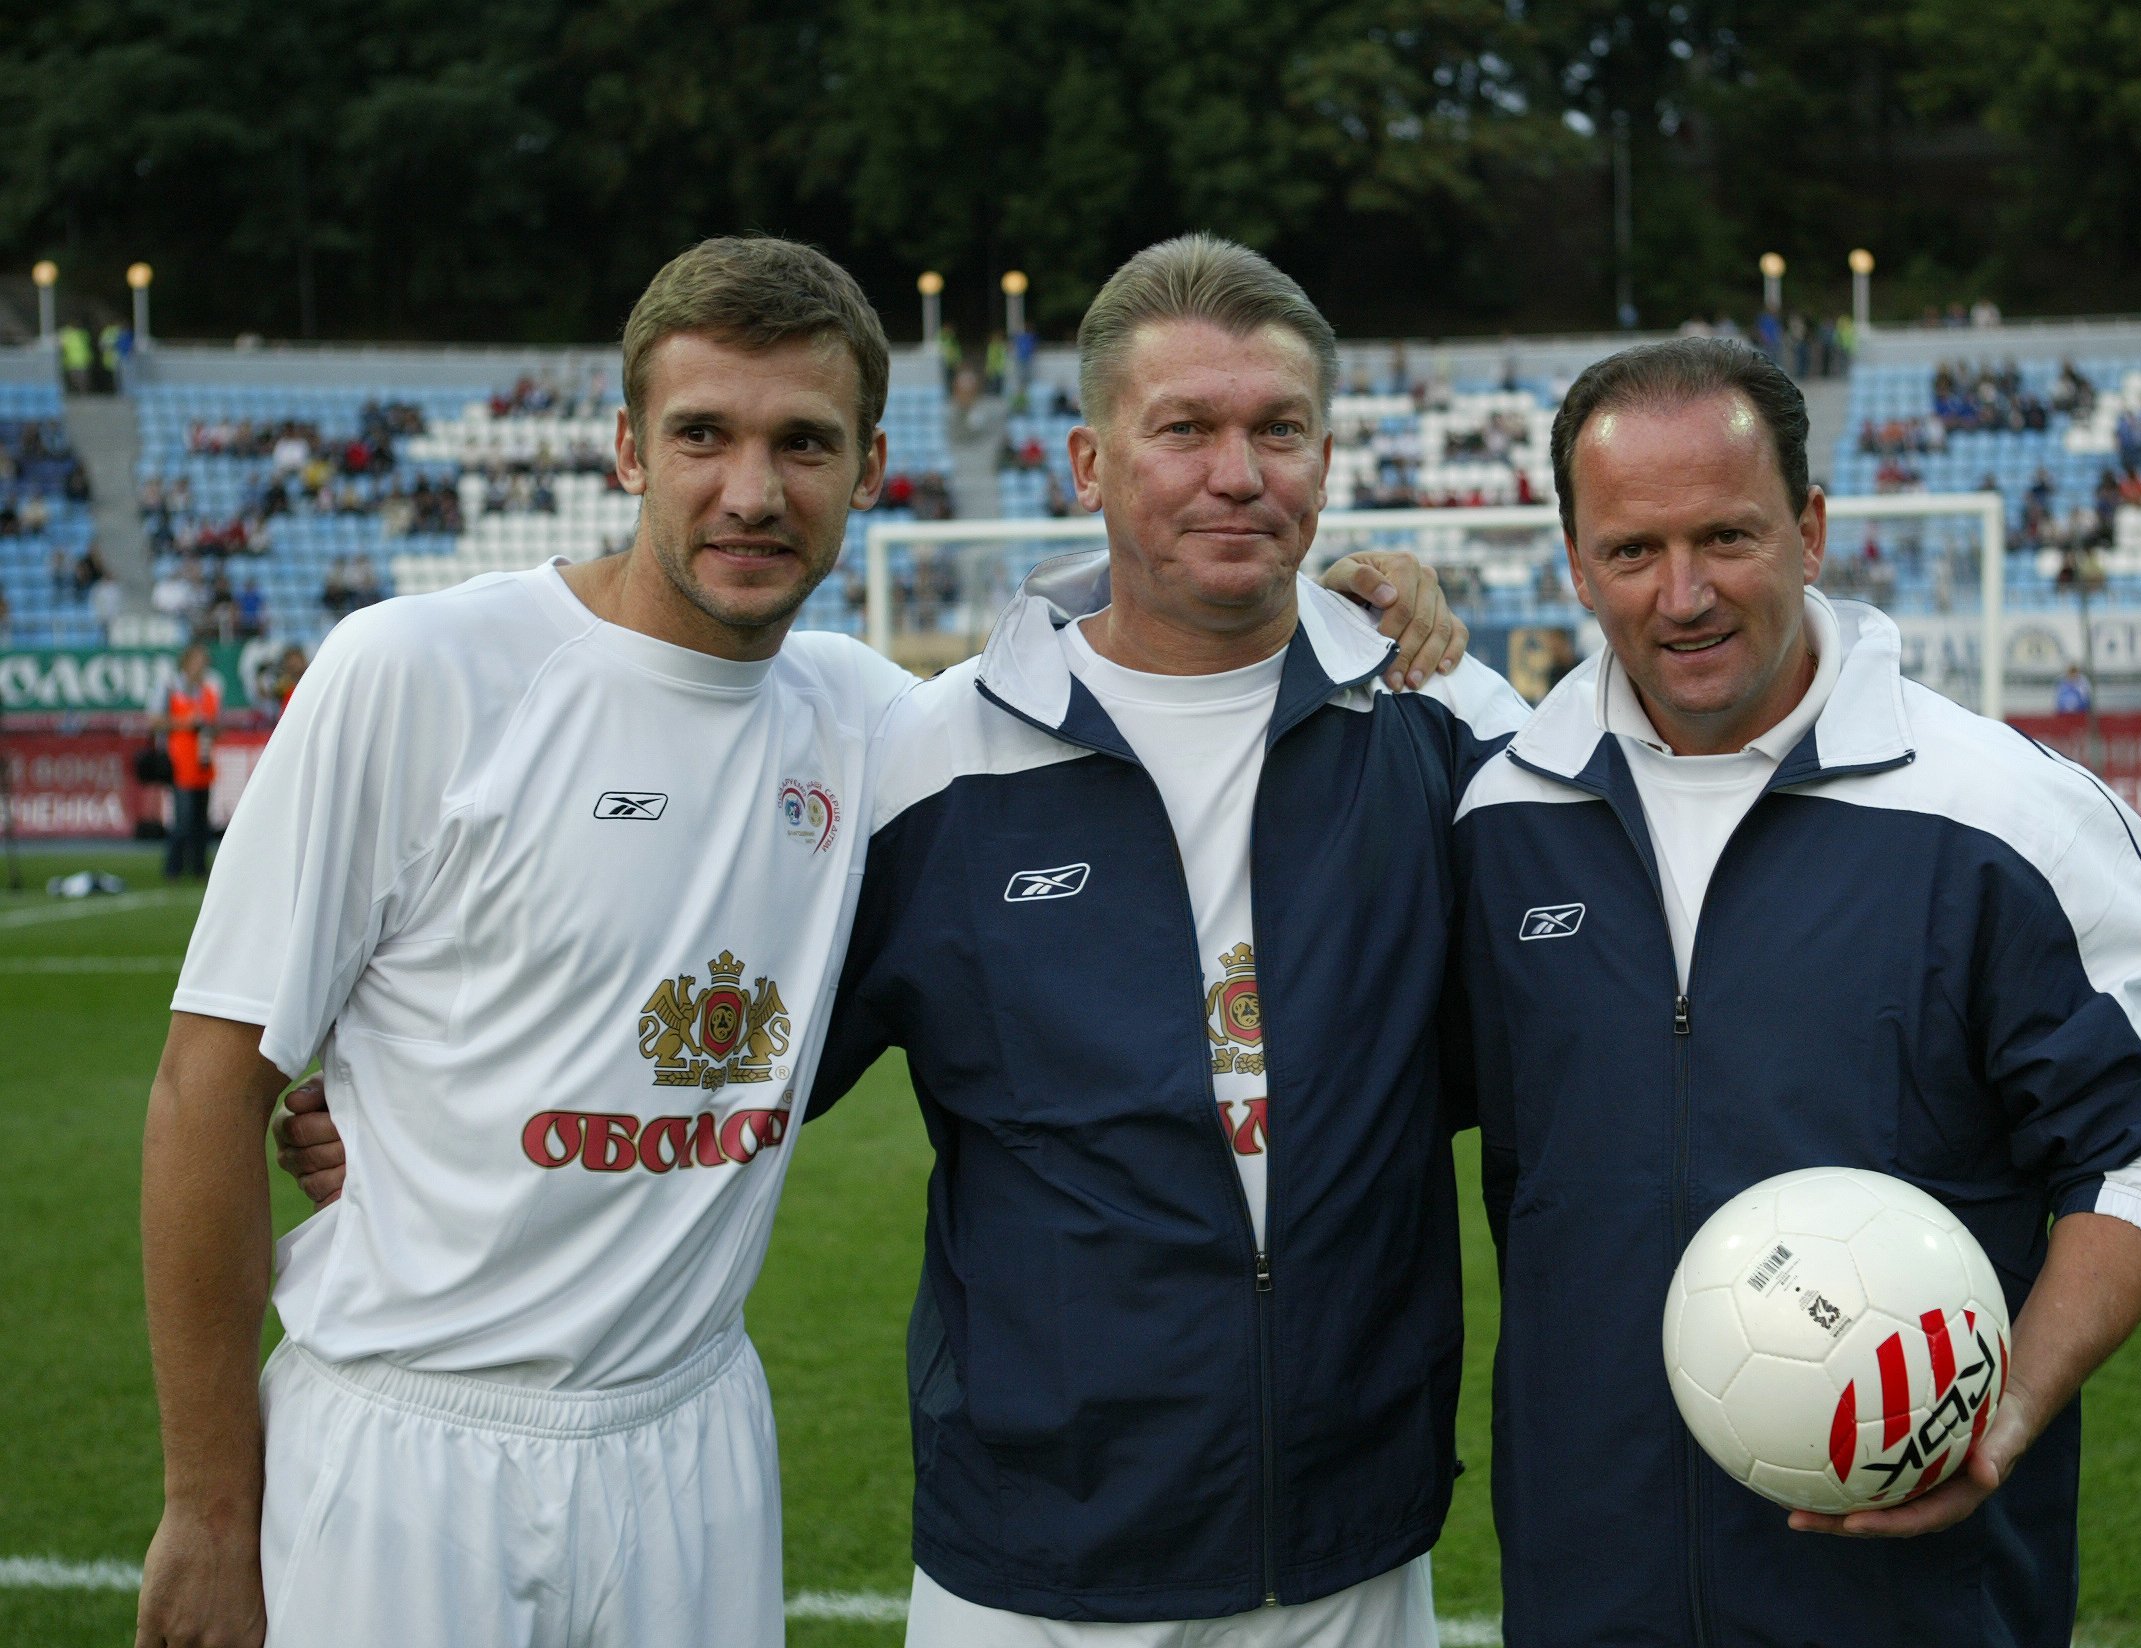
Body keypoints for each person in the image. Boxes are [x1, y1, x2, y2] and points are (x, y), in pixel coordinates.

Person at [199, 235, 1464, 1648]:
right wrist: (405, 1131)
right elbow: (227, 1081)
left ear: (868, 467)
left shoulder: (885, 726)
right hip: (444, 1437)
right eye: (703, 436)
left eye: (802, 442)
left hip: (721, 1443)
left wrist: (1372, 587)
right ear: (627, 448)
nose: (751, 488)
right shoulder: (894, 744)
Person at [1450, 338, 2141, 1647]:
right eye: (1632, 551)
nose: (1684, 593)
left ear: (1812, 529)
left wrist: (2008, 1410)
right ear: (1574, 559)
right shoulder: (1501, 816)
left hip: (1910, 1597)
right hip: (1586, 1582)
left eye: (1728, 535)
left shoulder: (2002, 815)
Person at [801, 234, 1525, 1644]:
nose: (1236, 473)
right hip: (1039, 1553)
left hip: (1350, 1547)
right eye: (1183, 428)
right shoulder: (936, 760)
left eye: (1278, 429)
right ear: (1088, 465)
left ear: (1326, 455)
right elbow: (745, 1070)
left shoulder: (1444, 724)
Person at [148, 641, 223, 881]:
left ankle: (200, 867)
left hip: (202, 762)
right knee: (183, 820)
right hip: (180, 762)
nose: (202, 666)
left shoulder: (210, 691)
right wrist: (185, 723)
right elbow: (154, 721)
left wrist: (210, 728)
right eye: (198, 661)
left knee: (202, 821)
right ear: (187, 663)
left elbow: (219, 725)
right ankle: (173, 867)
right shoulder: (169, 688)